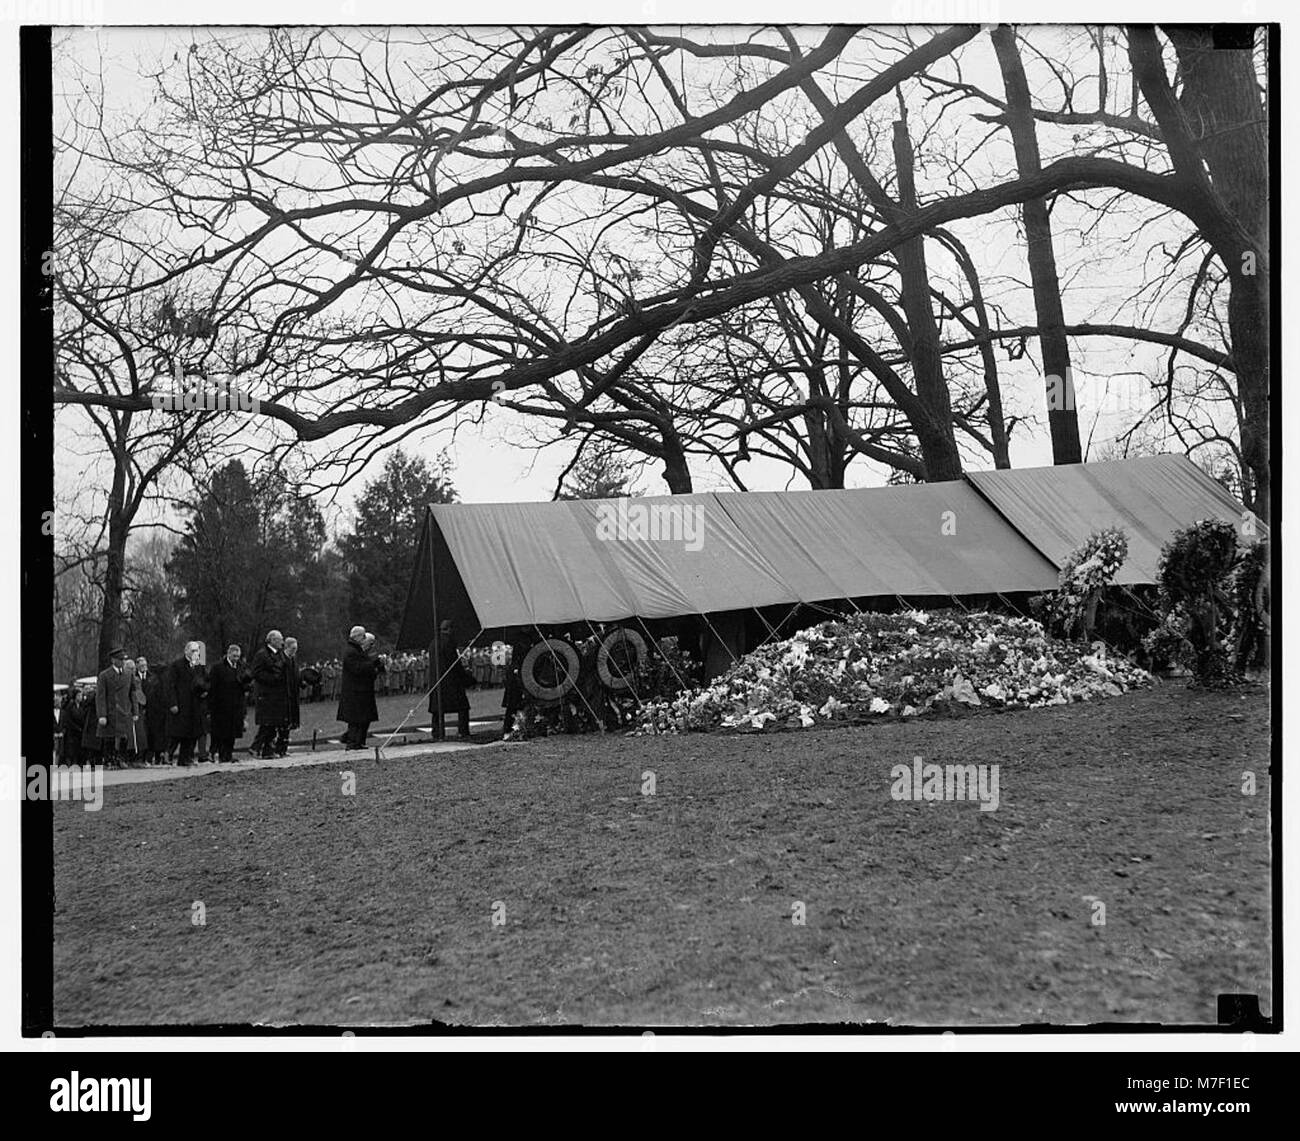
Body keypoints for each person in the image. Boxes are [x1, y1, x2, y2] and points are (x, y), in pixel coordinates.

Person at [163, 641, 209, 767]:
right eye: (193, 651)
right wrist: (173, 703)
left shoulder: (199, 666)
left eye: (197, 651)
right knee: (177, 733)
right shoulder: (176, 665)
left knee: (192, 733)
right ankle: (168, 754)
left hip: (195, 704)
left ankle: (186, 757)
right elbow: (170, 686)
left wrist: (205, 691)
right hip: (181, 704)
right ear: (186, 651)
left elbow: (206, 681)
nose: (195, 653)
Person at [337, 626, 382, 749]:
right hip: (355, 691)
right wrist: (371, 664)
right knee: (355, 720)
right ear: (356, 637)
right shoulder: (351, 651)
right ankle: (352, 742)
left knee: (361, 719)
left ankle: (358, 742)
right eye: (362, 636)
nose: (364, 638)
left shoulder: (356, 650)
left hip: (362, 690)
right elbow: (357, 668)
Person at [430, 620, 475, 741]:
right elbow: (454, 664)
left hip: (436, 681)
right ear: (450, 629)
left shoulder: (433, 643)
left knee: (437, 709)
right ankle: (463, 731)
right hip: (451, 681)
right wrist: (467, 678)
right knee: (463, 707)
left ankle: (437, 733)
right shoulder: (449, 643)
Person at [249, 630, 288, 759]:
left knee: (273, 723)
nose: (282, 642)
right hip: (266, 694)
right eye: (280, 639)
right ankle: (256, 746)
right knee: (267, 722)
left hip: (276, 694)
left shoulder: (279, 654)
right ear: (272, 640)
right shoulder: (262, 655)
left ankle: (267, 750)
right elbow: (256, 672)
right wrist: (272, 678)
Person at [208, 644, 250, 764]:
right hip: (221, 705)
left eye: (238, 656)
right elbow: (213, 687)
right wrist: (211, 706)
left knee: (233, 732)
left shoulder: (241, 667)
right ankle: (221, 755)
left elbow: (246, 685)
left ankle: (228, 754)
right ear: (228, 654)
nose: (236, 658)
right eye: (234, 656)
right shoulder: (218, 668)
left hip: (236, 704)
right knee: (222, 732)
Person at [94, 648, 135, 768]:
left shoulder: (128, 674)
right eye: (120, 659)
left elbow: (132, 693)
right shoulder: (104, 675)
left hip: (124, 711)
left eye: (123, 659)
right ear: (113, 660)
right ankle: (109, 760)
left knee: (124, 737)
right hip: (111, 711)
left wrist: (135, 711)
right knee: (109, 738)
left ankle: (121, 758)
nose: (122, 662)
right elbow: (100, 697)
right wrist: (102, 715)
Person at [137, 656, 168, 766]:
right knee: (150, 735)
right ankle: (149, 757)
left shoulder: (153, 679)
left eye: (145, 665)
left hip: (157, 712)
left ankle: (158, 756)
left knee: (157, 735)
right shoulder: (152, 681)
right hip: (149, 711)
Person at [275, 636, 302, 756]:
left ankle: (283, 749)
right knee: (282, 724)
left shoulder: (293, 660)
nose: (294, 651)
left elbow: (296, 676)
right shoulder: (281, 660)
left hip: (293, 695)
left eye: (296, 649)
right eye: (292, 648)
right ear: (287, 647)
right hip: (283, 696)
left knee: (290, 723)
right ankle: (278, 748)